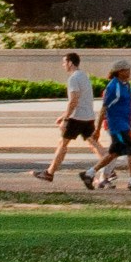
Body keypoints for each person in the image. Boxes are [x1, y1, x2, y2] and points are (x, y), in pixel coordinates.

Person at [87, 58, 131, 190]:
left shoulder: (126, 85)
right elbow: (104, 109)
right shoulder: (113, 87)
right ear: (120, 71)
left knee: (114, 154)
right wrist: (98, 129)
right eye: (127, 69)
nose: (129, 72)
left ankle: (89, 173)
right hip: (117, 126)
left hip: (124, 125)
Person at [37, 49, 97, 183]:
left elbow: (74, 100)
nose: (63, 65)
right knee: (94, 145)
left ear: (70, 63)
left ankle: (49, 173)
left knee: (62, 144)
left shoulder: (73, 78)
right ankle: (108, 171)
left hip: (76, 118)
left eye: (64, 62)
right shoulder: (84, 76)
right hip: (88, 116)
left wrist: (66, 118)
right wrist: (63, 115)